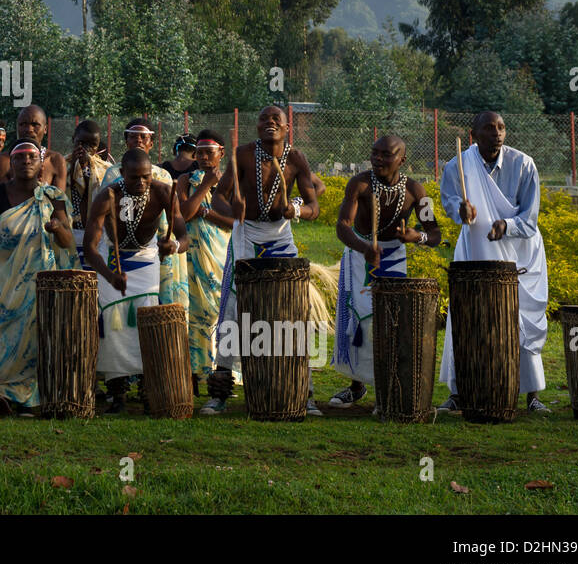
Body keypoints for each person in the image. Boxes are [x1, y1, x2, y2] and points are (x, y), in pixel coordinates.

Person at [202, 105, 321, 416]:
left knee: (294, 308)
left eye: (276, 119)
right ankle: (220, 392)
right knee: (231, 311)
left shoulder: (295, 159)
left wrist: (295, 211)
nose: (269, 123)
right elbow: (219, 196)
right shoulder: (242, 154)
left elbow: (314, 206)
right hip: (246, 235)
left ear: (286, 128)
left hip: (281, 236)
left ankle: (303, 392)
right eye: (264, 119)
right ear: (256, 127)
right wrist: (234, 212)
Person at [438, 112, 551, 413]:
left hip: (520, 253)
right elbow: (450, 201)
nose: (497, 134)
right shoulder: (457, 166)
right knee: (468, 316)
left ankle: (532, 395)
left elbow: (529, 218)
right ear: (473, 134)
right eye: (489, 128)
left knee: (522, 320)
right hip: (475, 249)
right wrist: (460, 211)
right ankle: (459, 390)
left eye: (501, 127)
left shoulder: (524, 164)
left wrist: (505, 226)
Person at [330, 135, 442, 408]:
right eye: (375, 153)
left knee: (392, 321)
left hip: (394, 258)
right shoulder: (360, 184)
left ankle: (389, 385)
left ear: (402, 160)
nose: (378, 158)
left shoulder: (417, 191)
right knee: (360, 320)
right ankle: (357, 386)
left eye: (386, 154)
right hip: (360, 253)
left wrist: (417, 237)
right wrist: (364, 246)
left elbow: (435, 234)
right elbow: (343, 226)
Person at [0, 140, 75, 416]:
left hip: (39, 279)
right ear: (11, 163)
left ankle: (30, 399)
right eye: (20, 157)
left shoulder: (53, 197)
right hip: (3, 281)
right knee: (3, 336)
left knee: (34, 336)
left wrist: (56, 227)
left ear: (42, 163)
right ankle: (1, 392)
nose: (26, 162)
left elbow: (67, 242)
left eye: (32, 157)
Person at [83, 148, 189, 413]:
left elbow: (185, 237)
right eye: (134, 178)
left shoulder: (163, 191)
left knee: (146, 317)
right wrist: (110, 276)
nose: (141, 183)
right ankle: (117, 392)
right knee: (113, 322)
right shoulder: (107, 196)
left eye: (146, 177)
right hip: (112, 259)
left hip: (146, 257)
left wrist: (173, 246)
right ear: (121, 174)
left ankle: (146, 388)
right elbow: (90, 248)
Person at [176, 131, 235, 395]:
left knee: (217, 312)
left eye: (208, 152)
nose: (202, 157)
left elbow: (237, 222)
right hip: (191, 257)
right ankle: (195, 372)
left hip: (220, 254)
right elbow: (185, 215)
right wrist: (203, 187)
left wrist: (208, 213)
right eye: (198, 152)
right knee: (194, 312)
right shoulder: (185, 180)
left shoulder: (231, 182)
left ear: (221, 153)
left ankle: (222, 374)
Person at [0, 105, 67, 189]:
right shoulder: (4, 160)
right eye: (23, 124)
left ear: (45, 129)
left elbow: (59, 199)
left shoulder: (55, 160)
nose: (29, 129)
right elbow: (3, 198)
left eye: (35, 125)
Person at [65, 119, 111, 258]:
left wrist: (85, 168)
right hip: (69, 231)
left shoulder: (105, 168)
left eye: (92, 145)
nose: (86, 148)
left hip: (96, 234)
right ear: (74, 139)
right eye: (81, 143)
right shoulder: (61, 164)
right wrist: (74, 166)